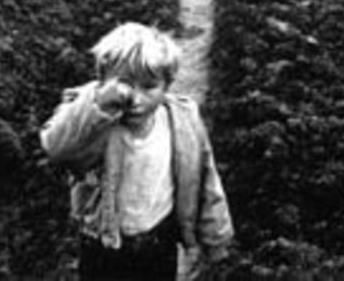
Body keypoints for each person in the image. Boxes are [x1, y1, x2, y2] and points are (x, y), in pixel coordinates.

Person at [40, 22, 233, 280]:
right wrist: (99, 103)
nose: (137, 100)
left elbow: (206, 178)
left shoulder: (183, 120)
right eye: (126, 84)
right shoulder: (95, 120)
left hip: (160, 239)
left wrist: (215, 237)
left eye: (149, 86)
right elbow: (56, 147)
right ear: (103, 81)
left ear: (167, 85)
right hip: (105, 246)